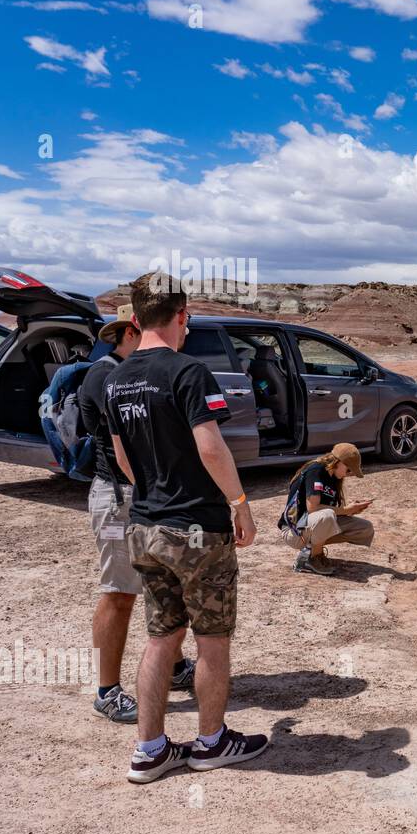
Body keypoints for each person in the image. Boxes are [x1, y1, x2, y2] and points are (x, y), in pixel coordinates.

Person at [105, 280, 267, 784]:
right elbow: (211, 447)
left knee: (160, 637)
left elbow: (125, 458)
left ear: (135, 320)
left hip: (146, 525)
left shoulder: (115, 380)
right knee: (212, 639)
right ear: (182, 315)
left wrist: (154, 494)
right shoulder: (190, 372)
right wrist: (239, 503)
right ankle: (212, 742)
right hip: (197, 528)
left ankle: (150, 750)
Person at [79, 303, 194, 722]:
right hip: (119, 497)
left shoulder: (126, 373)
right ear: (133, 332)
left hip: (143, 493)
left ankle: (177, 667)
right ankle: (107, 691)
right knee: (119, 593)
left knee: (163, 584)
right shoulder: (106, 376)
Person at [279, 442, 375, 575]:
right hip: (294, 531)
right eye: (348, 470)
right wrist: (346, 510)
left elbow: (330, 513)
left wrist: (352, 509)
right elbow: (313, 508)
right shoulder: (316, 470)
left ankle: (311, 550)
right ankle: (311, 559)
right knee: (327, 515)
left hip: (310, 526)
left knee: (365, 528)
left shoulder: (333, 478)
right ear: (338, 462)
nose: (349, 474)